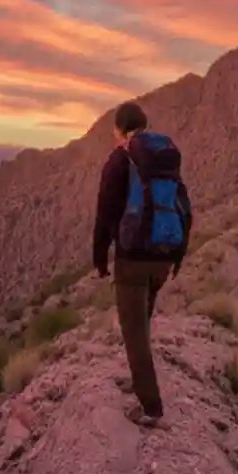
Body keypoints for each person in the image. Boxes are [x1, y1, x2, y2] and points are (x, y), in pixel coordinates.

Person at [93, 101, 192, 428]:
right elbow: (183, 205)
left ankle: (151, 408)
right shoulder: (164, 159)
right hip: (163, 253)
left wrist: (100, 257)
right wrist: (177, 256)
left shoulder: (121, 160)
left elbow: (105, 214)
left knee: (134, 331)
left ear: (120, 129)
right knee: (143, 321)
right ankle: (140, 381)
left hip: (133, 257)